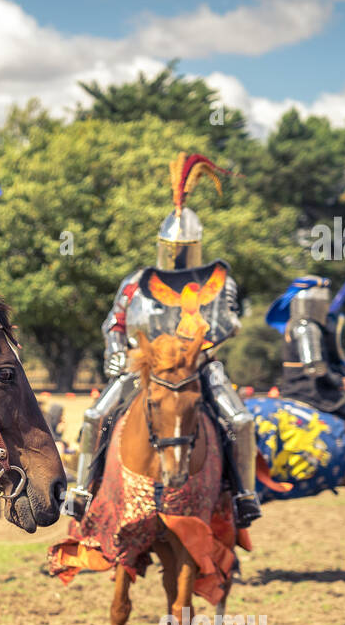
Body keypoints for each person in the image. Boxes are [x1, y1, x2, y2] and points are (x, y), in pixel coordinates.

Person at [66, 153, 262, 528]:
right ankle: (83, 490)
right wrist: (114, 353)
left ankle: (244, 495)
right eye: (171, 248)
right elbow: (115, 323)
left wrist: (196, 349)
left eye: (184, 248)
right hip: (142, 369)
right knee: (96, 415)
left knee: (241, 420)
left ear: (196, 245)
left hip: (198, 369)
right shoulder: (135, 281)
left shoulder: (218, 284)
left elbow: (229, 324)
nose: (176, 254)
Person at [268, 277, 345, 487]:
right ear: (309, 302)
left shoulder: (301, 325)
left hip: (307, 386)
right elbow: (315, 368)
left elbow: (326, 366)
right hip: (309, 390)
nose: (325, 306)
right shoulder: (306, 327)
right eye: (321, 302)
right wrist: (340, 382)